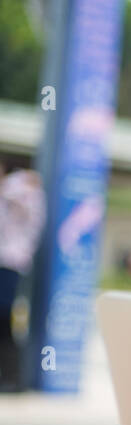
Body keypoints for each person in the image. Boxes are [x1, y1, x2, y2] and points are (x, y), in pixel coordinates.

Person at [0, 164, 46, 390]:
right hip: (6, 262)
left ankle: (12, 378)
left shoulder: (24, 188)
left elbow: (15, 193)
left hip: (11, 264)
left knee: (5, 318)